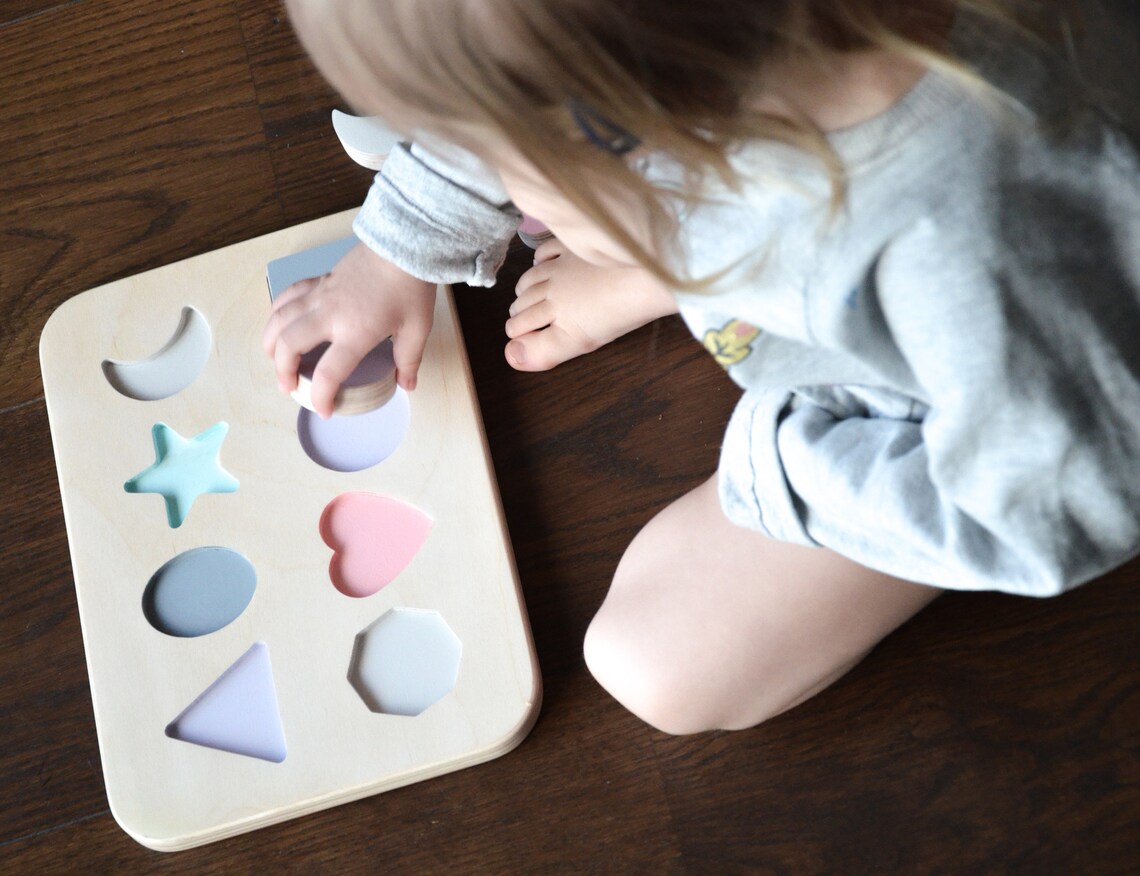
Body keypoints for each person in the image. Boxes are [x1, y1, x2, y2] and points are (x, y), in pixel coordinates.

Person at [263, 0, 1140, 734]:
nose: (493, 181)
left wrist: (788, 469)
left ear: (637, 129)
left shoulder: (968, 248)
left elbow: (1061, 506)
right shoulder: (702, 48)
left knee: (652, 663)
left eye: (500, 159)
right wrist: (398, 251)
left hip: (944, 418)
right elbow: (520, 67)